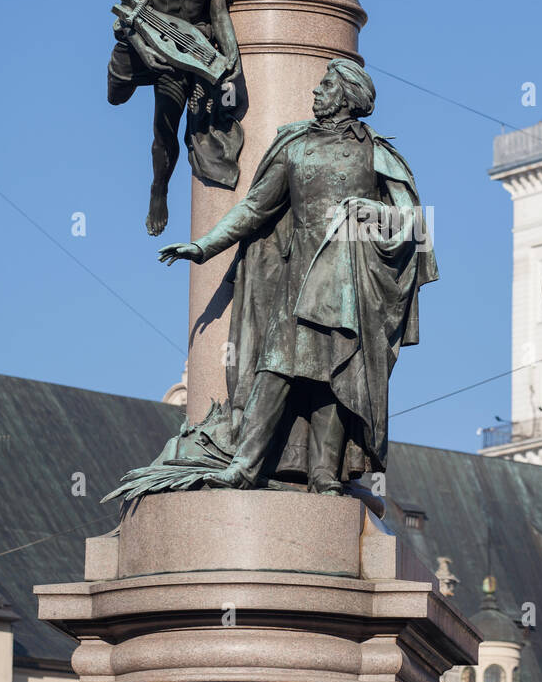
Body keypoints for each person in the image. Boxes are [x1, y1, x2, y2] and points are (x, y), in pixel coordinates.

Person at [158, 58, 437, 493]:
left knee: (334, 372)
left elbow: (413, 222)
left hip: (349, 278)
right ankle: (246, 465)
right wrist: (203, 246)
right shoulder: (295, 145)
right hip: (298, 275)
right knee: (277, 367)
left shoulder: (375, 152)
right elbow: (255, 208)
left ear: (346, 95)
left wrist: (369, 211)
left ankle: (325, 474)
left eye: (326, 84)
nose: (316, 91)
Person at [108, 0, 243, 235]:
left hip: (181, 56)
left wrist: (232, 58)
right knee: (115, 94)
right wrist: (141, 46)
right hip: (142, 46)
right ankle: (124, 73)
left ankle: (159, 189)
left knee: (165, 129)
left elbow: (219, 16)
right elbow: (125, 13)